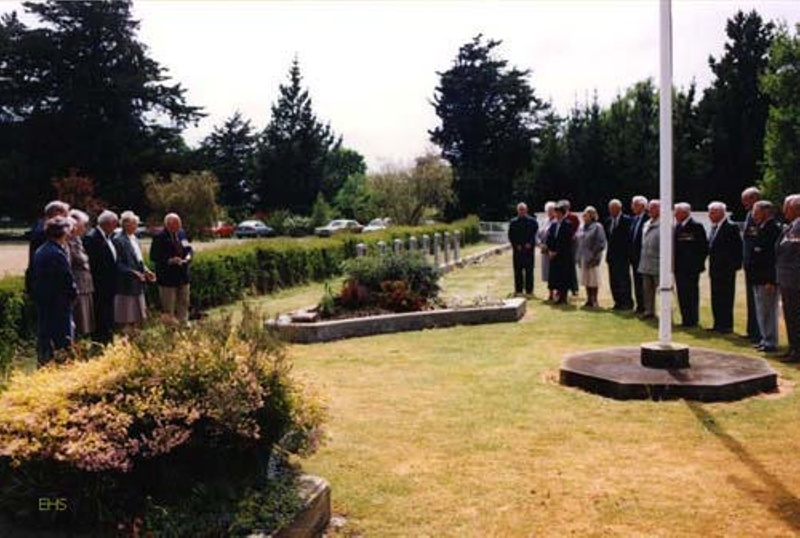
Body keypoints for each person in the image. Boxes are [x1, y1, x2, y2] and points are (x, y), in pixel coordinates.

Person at [31, 216, 76, 365]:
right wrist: (72, 296)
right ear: (63, 232)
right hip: (58, 305)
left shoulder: (42, 250)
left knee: (47, 338)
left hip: (46, 303)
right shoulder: (56, 254)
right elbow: (66, 281)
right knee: (61, 341)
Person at [113, 211, 155, 334]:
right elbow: (117, 264)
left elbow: (139, 259)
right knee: (127, 314)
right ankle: (126, 339)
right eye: (134, 224)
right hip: (126, 283)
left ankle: (134, 336)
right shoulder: (118, 240)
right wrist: (132, 272)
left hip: (137, 282)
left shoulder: (134, 238)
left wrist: (147, 271)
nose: (136, 226)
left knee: (138, 314)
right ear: (125, 224)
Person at [749, 201, 781, 353]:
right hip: (758, 276)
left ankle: (770, 341)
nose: (754, 215)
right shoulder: (761, 227)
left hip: (766, 278)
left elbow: (773, 257)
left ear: (766, 212)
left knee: (768, 311)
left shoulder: (773, 229)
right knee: (761, 310)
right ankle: (764, 338)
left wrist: (771, 279)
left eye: (756, 212)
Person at [150, 212, 194, 324]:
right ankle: (171, 331)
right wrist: (170, 260)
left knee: (184, 302)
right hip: (167, 279)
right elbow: (154, 256)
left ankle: (184, 325)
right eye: (176, 224)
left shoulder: (181, 233)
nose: (179, 227)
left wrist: (188, 258)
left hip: (183, 275)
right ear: (168, 225)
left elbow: (188, 248)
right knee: (169, 307)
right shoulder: (159, 237)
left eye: (179, 224)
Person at [706, 202, 742, 334]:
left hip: (726, 270)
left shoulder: (731, 227)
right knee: (716, 297)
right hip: (715, 269)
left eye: (712, 212)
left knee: (726, 298)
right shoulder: (714, 228)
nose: (710, 215)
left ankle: (726, 326)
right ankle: (717, 324)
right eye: (710, 212)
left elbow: (737, 248)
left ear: (721, 213)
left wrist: (733, 267)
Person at [85, 210, 119, 344]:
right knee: (101, 314)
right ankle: (101, 341)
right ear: (108, 223)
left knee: (108, 314)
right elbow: (93, 264)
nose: (116, 227)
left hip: (109, 285)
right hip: (100, 285)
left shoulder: (108, 237)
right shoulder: (92, 238)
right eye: (115, 224)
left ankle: (108, 339)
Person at [673, 203, 708, 328]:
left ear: (685, 213)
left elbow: (703, 247)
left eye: (677, 212)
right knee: (682, 293)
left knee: (691, 293)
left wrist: (697, 264)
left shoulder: (696, 226)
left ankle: (692, 319)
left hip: (691, 268)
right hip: (679, 268)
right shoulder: (677, 226)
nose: (674, 214)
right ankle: (685, 319)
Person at [26, 200, 70, 294]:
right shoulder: (44, 231)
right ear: (56, 213)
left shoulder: (43, 227)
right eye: (65, 215)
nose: (67, 219)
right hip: (46, 284)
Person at [776, 194, 800, 363]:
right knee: (790, 316)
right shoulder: (790, 227)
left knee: (796, 316)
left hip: (795, 281)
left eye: (787, 207)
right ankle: (793, 348)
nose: (784, 210)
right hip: (786, 280)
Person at [66, 209, 95, 337]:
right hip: (78, 285)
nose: (85, 228)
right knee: (79, 321)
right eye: (83, 225)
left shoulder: (78, 240)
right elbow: (80, 260)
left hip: (86, 285)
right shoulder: (69, 241)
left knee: (86, 323)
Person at [741, 186, 762, 343]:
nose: (743, 203)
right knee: (750, 299)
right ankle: (751, 330)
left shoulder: (761, 216)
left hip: (758, 264)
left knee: (760, 301)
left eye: (746, 200)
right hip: (749, 264)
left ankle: (759, 333)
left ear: (754, 199)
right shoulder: (749, 215)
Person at [604, 199, 633, 310]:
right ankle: (617, 302)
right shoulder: (608, 221)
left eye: (613, 209)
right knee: (614, 280)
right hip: (611, 256)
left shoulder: (627, 220)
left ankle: (627, 303)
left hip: (623, 256)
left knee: (623, 280)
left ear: (619, 208)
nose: (611, 211)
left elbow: (627, 239)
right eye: (610, 209)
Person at [576, 206, 607, 308]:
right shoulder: (581, 227)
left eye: (586, 215)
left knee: (594, 280)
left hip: (593, 258)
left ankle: (594, 300)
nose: (583, 217)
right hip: (583, 257)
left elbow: (601, 243)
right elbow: (578, 240)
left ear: (592, 215)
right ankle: (588, 299)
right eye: (583, 215)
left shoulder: (598, 226)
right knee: (586, 279)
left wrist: (594, 255)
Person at [507, 202, 538, 296]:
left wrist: (530, 243)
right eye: (520, 209)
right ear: (517, 210)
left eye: (523, 209)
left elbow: (535, 234)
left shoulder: (533, 221)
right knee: (517, 271)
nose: (521, 211)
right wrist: (516, 245)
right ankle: (519, 290)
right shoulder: (513, 222)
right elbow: (510, 235)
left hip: (529, 250)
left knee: (529, 271)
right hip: (518, 251)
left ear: (526, 210)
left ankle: (529, 291)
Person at [546, 202, 574, 304]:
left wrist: (557, 251)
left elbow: (566, 241)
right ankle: (557, 296)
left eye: (558, 213)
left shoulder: (568, 224)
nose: (556, 215)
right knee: (556, 276)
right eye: (555, 212)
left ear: (562, 213)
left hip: (564, 255)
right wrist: (550, 250)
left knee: (564, 276)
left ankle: (563, 297)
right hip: (554, 255)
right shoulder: (553, 225)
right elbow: (549, 239)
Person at [637, 200, 660, 320]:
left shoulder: (664, 223)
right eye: (650, 208)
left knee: (661, 290)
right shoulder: (646, 223)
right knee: (647, 290)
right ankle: (649, 311)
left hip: (658, 262)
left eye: (654, 208)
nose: (650, 210)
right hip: (645, 261)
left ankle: (664, 313)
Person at [629, 195, 649, 314]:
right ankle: (640, 306)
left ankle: (646, 307)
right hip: (634, 257)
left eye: (634, 204)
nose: (632, 207)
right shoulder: (635, 219)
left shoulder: (647, 219)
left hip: (644, 257)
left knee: (644, 283)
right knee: (637, 282)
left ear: (642, 206)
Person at [537, 201, 557, 301]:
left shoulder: (557, 221)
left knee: (555, 272)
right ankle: (550, 293)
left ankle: (557, 292)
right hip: (544, 251)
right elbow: (538, 234)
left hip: (554, 251)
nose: (550, 212)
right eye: (548, 210)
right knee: (547, 273)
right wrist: (540, 244)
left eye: (552, 210)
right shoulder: (544, 221)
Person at [561, 200, 580, 295]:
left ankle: (574, 288)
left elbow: (577, 229)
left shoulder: (573, 217)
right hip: (561, 246)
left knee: (571, 267)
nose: (564, 208)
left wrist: (573, 235)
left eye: (565, 207)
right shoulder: (559, 217)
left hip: (571, 245)